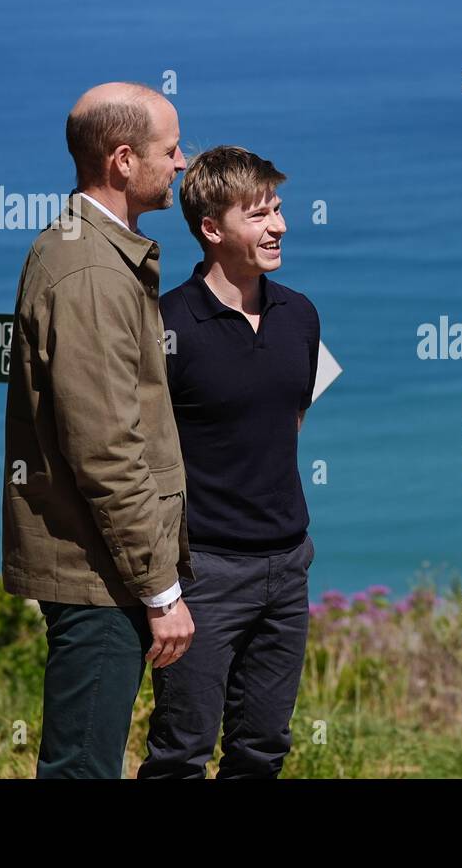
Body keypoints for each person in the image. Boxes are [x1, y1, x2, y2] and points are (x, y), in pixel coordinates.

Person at [2, 82, 194, 779]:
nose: (182, 163)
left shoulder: (91, 252)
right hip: (97, 573)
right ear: (121, 161)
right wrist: (160, 588)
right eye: (169, 150)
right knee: (83, 766)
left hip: (100, 565)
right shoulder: (89, 274)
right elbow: (106, 450)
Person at [139, 146, 320, 779]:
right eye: (259, 214)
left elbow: (288, 420)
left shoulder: (299, 315)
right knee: (180, 755)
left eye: (278, 210)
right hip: (203, 572)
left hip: (287, 565)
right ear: (212, 229)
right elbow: (141, 454)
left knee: (263, 751)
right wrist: (162, 587)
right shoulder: (167, 325)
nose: (279, 227)